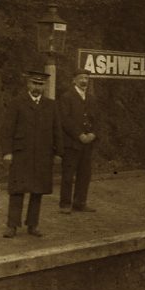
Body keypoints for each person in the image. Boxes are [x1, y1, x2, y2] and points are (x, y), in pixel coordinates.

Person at [0, 71, 64, 238]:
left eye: (40, 84)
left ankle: (32, 225)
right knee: (17, 190)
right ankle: (12, 226)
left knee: (37, 190)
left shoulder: (51, 105)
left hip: (43, 154)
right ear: (28, 84)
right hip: (22, 154)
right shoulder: (17, 103)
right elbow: (7, 130)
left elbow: (57, 130)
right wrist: (7, 152)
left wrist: (59, 152)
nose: (37, 87)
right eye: (34, 84)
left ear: (44, 86)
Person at [58, 68, 100, 213]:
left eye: (86, 79)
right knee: (68, 174)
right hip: (72, 142)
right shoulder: (66, 97)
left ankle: (80, 202)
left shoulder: (92, 98)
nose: (84, 81)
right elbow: (65, 119)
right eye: (81, 78)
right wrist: (79, 135)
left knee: (84, 174)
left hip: (88, 143)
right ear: (74, 80)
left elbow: (97, 119)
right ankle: (65, 204)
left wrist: (93, 134)